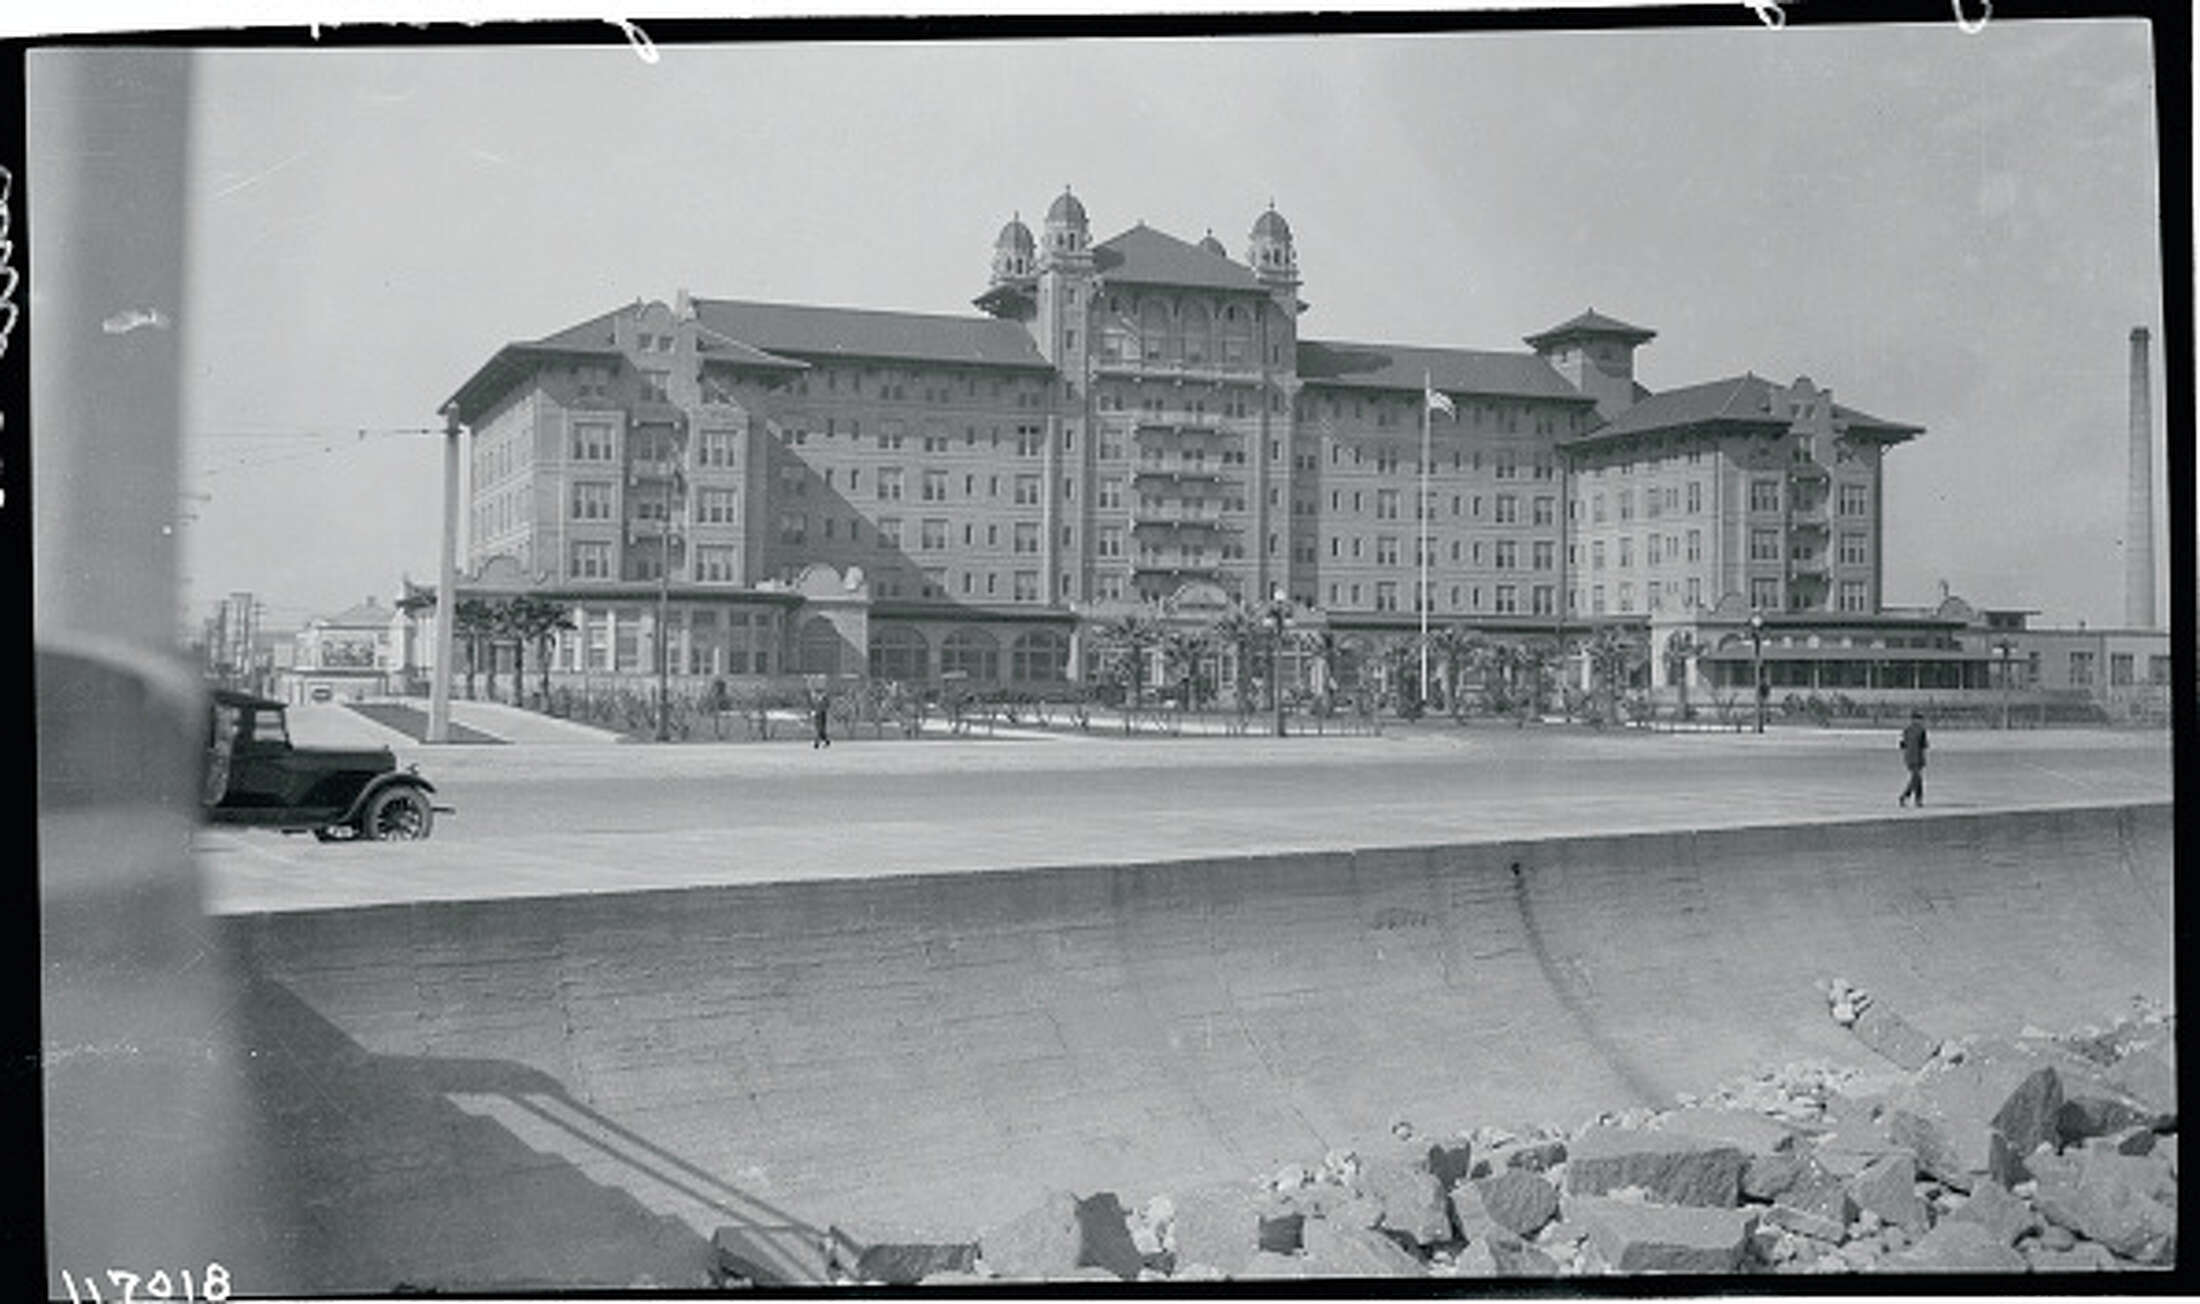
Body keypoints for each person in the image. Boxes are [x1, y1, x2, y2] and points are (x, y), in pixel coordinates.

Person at [1897, 710, 1928, 806]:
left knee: (1917, 779)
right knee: (1916, 778)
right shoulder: (1921, 731)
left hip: (1910, 757)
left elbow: (1902, 745)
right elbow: (1924, 746)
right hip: (1916, 757)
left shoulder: (1906, 730)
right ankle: (1907, 796)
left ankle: (1916, 799)